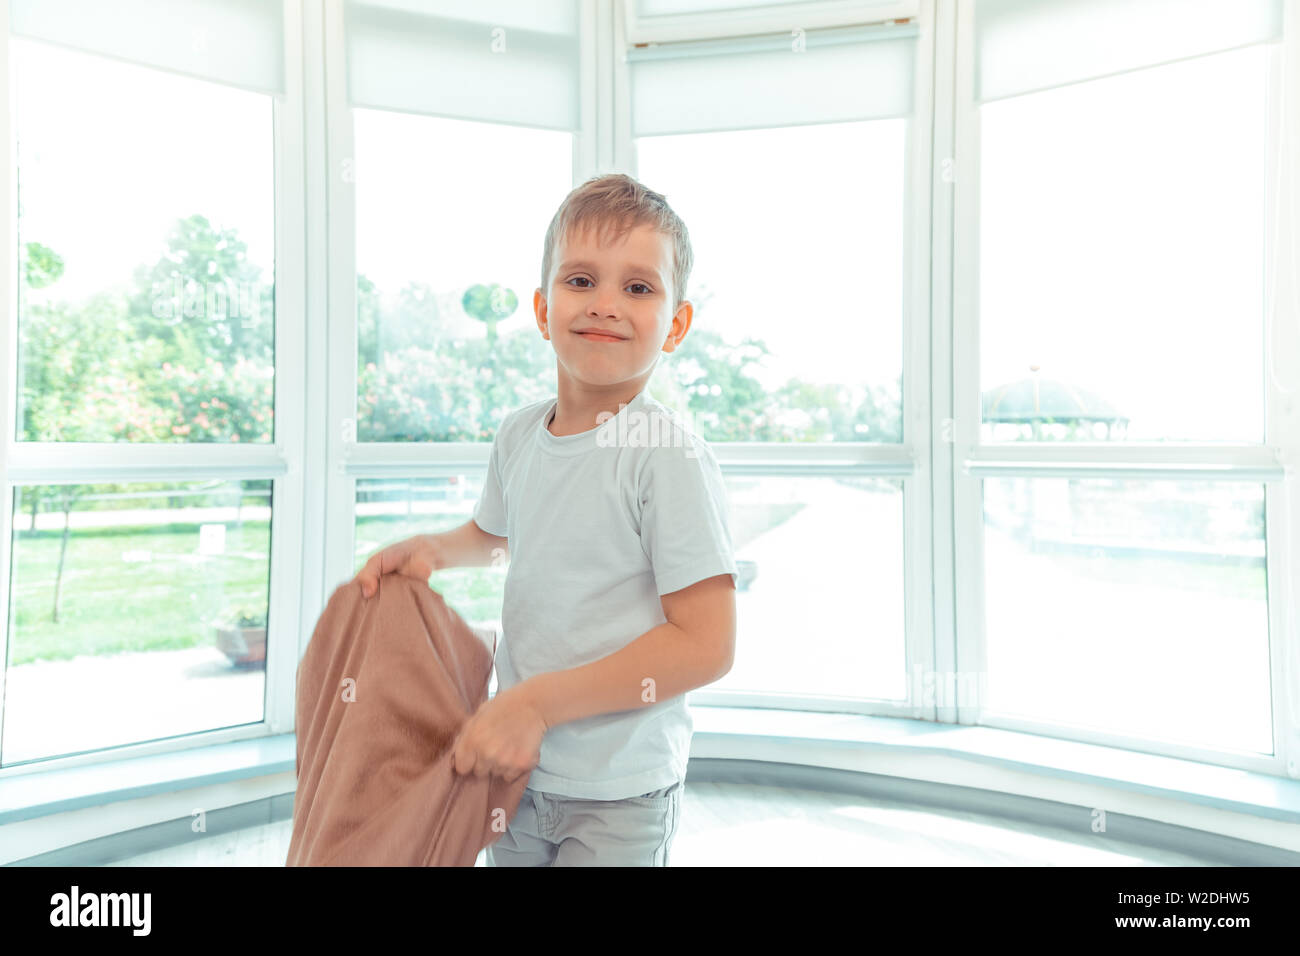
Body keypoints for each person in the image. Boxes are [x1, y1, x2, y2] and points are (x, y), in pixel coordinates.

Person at [353, 173, 738, 866]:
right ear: (542, 308)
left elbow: (706, 644)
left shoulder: (666, 455)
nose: (605, 305)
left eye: (639, 288)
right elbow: (496, 539)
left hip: (619, 789)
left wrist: (537, 703)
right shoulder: (518, 435)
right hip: (517, 771)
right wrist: (433, 551)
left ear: (676, 326)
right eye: (581, 280)